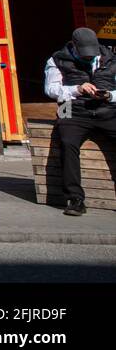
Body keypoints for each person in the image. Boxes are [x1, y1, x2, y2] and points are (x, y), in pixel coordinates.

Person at [45, 27, 116, 216]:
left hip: (107, 108)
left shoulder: (111, 59)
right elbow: (51, 90)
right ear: (74, 46)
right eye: (84, 54)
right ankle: (75, 199)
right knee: (67, 142)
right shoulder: (57, 60)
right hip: (70, 108)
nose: (88, 57)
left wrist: (109, 95)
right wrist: (77, 89)